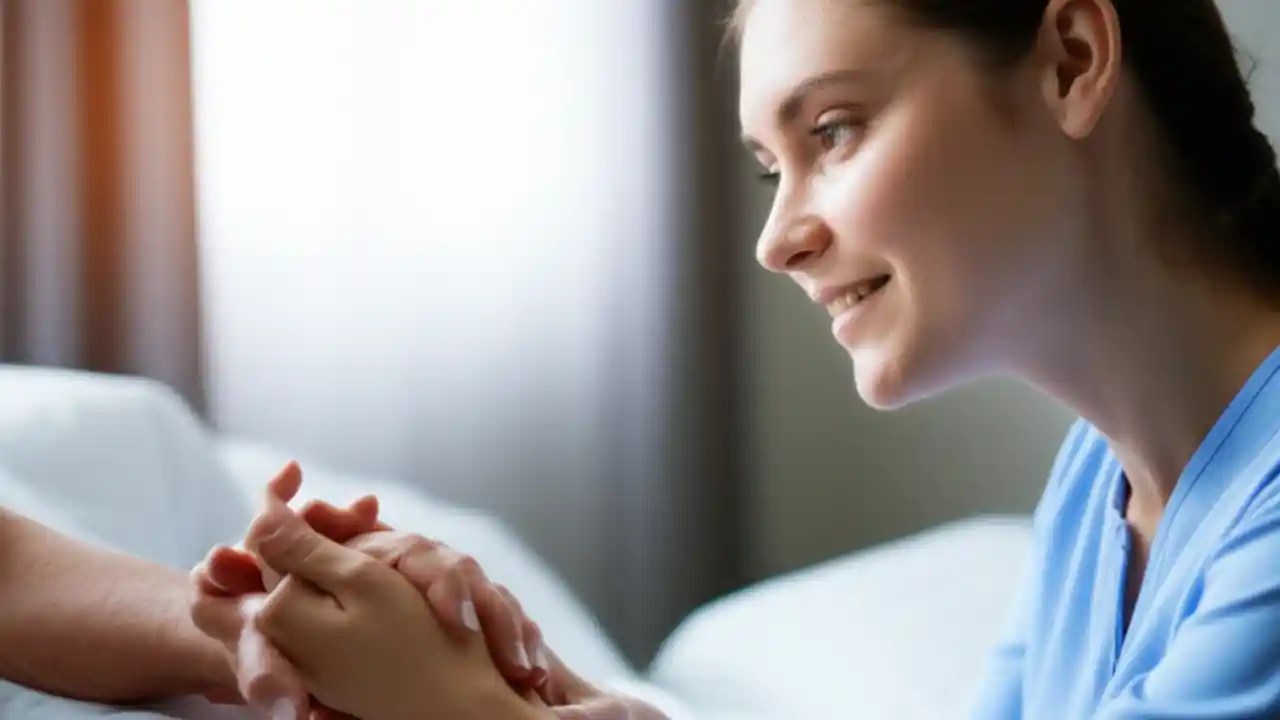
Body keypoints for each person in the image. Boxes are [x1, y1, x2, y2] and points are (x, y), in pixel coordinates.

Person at [193, 0, 1280, 717]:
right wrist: (531, 690)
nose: (777, 237)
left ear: (1072, 61)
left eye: (834, 131)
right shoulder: (1099, 486)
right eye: (771, 168)